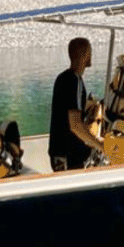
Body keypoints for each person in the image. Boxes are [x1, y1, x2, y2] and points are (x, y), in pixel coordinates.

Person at [48, 37, 104, 171]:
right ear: (84, 54)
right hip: (69, 155)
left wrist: (87, 106)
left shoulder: (62, 78)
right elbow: (75, 125)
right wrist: (99, 145)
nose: (91, 55)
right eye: (90, 52)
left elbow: (65, 113)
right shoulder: (75, 81)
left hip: (57, 153)